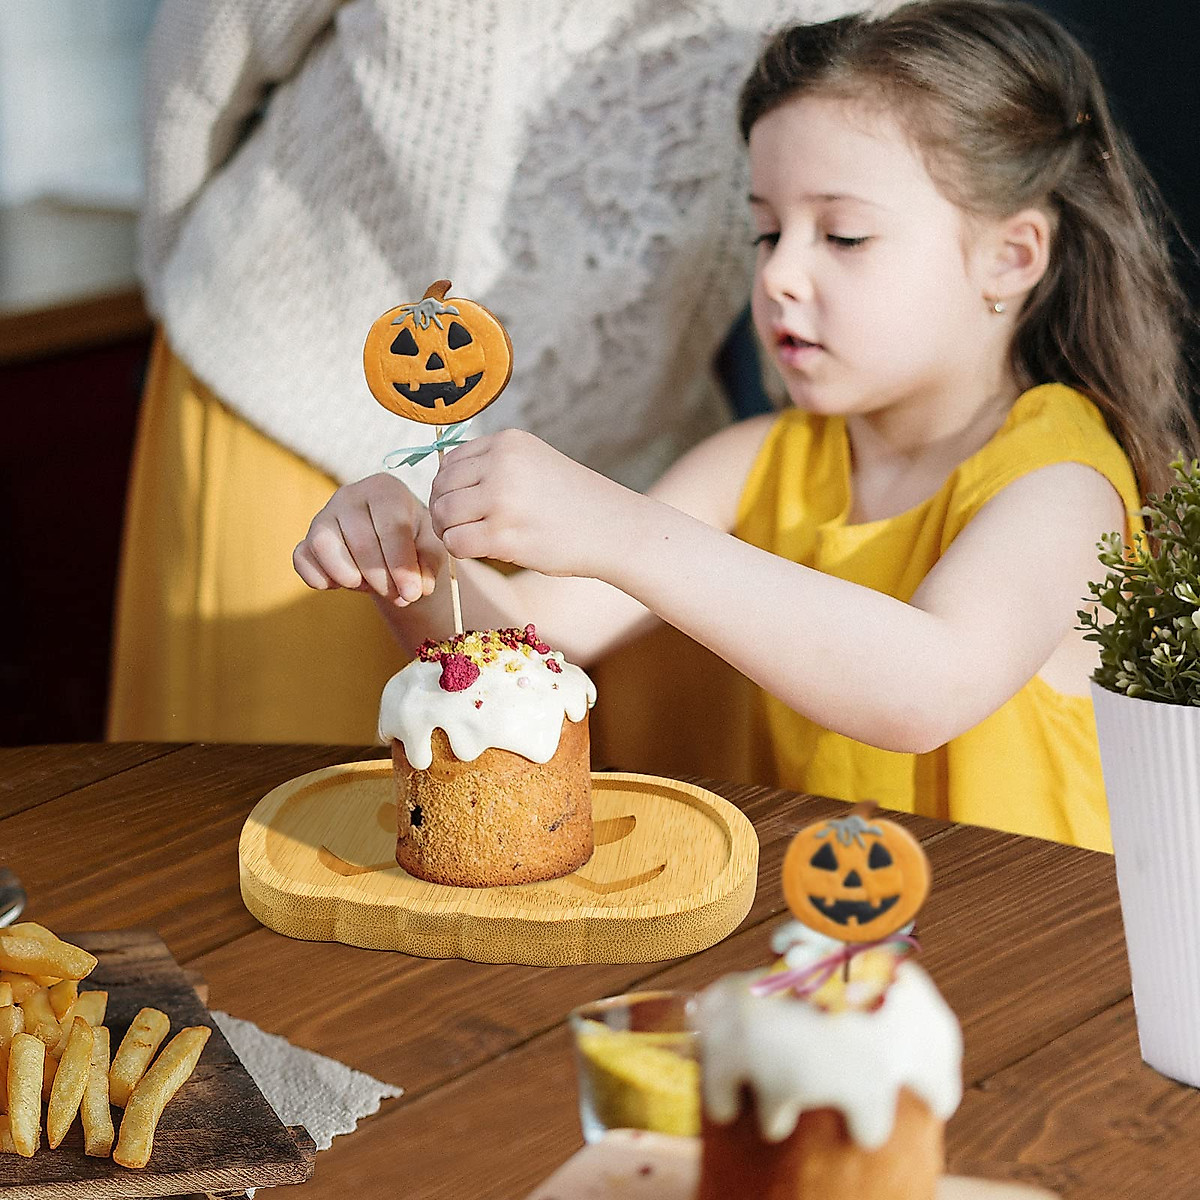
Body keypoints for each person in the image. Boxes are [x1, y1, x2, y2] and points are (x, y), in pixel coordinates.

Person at [293, 0, 1198, 853]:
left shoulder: (1063, 485)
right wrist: (411, 557)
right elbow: (533, 633)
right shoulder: (762, 459)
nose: (778, 277)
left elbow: (925, 687)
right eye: (767, 234)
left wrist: (613, 527)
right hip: (845, 970)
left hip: (1038, 964)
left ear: (1011, 256)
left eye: (842, 236)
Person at [108, 0, 874, 747]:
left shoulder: (741, 479)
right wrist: (170, 270)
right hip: (296, 397)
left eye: (842, 236)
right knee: (281, 810)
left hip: (645, 463)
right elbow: (198, 73)